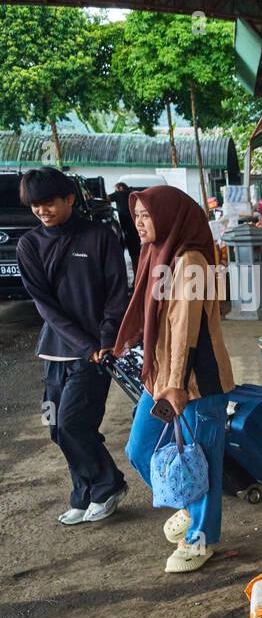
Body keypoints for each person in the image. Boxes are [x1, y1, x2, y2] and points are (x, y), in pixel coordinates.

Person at [114, 186, 235, 573]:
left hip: (195, 382)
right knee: (140, 448)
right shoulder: (157, 253)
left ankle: (201, 540)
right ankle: (187, 501)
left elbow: (186, 330)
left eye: (147, 216)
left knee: (202, 462)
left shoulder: (192, 260)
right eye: (136, 217)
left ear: (170, 217)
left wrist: (177, 383)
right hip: (162, 377)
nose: (139, 224)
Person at [16, 167, 130, 526]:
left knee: (72, 423)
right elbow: (45, 306)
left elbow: (116, 293)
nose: (41, 210)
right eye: (35, 205)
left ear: (69, 199)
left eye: (48, 202)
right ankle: (84, 494)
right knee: (54, 425)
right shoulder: (29, 245)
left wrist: (105, 340)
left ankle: (108, 486)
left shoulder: (100, 236)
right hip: (54, 354)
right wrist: (82, 343)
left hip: (94, 355)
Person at [110, 182, 142, 273]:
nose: (115, 190)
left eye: (115, 188)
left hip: (127, 226)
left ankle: (137, 274)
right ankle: (139, 271)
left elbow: (105, 199)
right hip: (134, 224)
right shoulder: (131, 194)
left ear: (120, 187)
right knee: (136, 250)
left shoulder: (119, 194)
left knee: (133, 251)